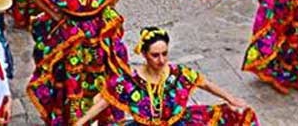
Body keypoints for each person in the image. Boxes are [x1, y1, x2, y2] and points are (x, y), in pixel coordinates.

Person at [28, 0, 131, 126]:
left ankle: (104, 115)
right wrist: (55, 15)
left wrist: (109, 6)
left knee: (106, 74)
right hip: (73, 35)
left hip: (99, 33)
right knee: (72, 78)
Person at [77, 27, 256, 125]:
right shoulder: (130, 81)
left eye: (164, 53)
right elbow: (105, 101)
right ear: (144, 54)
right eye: (155, 55)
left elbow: (205, 83)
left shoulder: (178, 74)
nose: (161, 60)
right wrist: (82, 122)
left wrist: (230, 98)